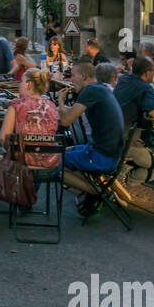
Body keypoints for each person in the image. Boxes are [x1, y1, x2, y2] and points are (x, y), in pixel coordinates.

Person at [57, 61, 126, 216]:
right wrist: (61, 108)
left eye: (73, 75)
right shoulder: (98, 89)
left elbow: (66, 120)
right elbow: (72, 112)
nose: (71, 79)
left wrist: (61, 101)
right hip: (105, 150)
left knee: (54, 163)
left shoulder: (89, 92)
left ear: (83, 76)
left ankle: (96, 191)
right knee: (64, 150)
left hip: (102, 156)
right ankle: (93, 188)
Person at [113, 56, 154, 190]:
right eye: (153, 70)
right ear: (146, 72)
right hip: (124, 144)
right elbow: (153, 113)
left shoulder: (123, 80)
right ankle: (124, 183)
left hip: (111, 136)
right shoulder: (145, 88)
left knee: (143, 147)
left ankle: (121, 174)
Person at [0, 68, 60, 170]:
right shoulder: (52, 106)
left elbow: (3, 137)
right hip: (50, 161)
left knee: (8, 153)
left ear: (29, 85)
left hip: (23, 161)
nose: (19, 85)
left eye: (21, 81)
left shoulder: (17, 105)